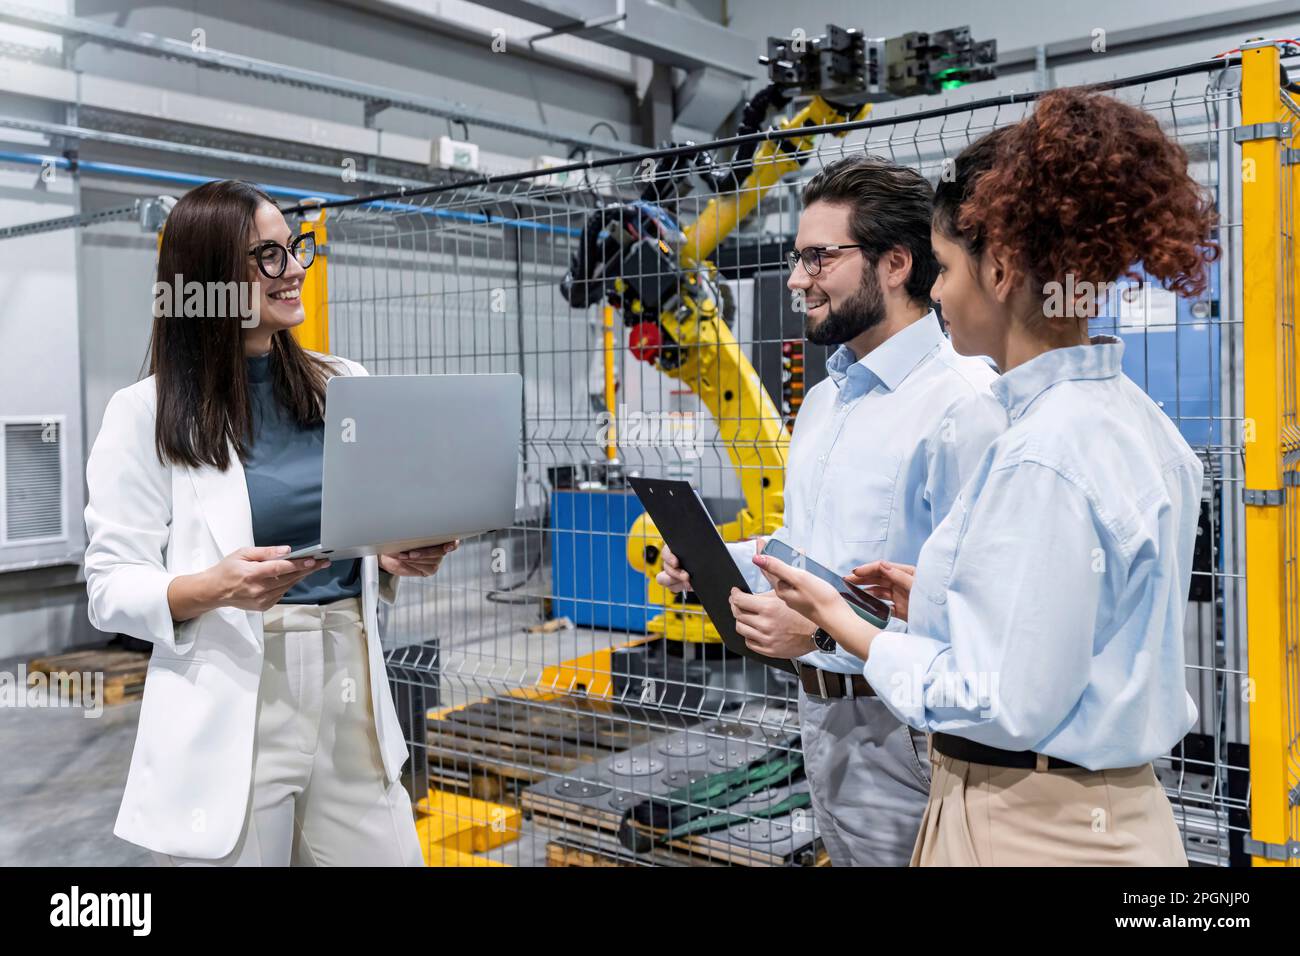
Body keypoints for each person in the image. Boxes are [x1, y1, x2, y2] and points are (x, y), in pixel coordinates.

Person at [756, 89, 1217, 865]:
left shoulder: (1042, 451)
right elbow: (1066, 624)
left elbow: (993, 697)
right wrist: (937, 598)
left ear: (998, 270)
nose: (936, 293)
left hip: (1031, 824)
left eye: (943, 269)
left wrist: (846, 624)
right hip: (1095, 810)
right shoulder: (1134, 422)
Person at [84, 180, 454, 866]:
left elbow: (362, 527)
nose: (295, 270)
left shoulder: (342, 383)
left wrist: (391, 554)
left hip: (351, 692)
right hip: (237, 702)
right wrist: (214, 588)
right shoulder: (145, 414)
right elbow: (109, 585)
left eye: (295, 248)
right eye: (269, 256)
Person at [659, 155, 1006, 866]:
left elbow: (982, 617)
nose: (796, 280)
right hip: (822, 719)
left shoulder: (965, 405)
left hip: (913, 734)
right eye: (798, 259)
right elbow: (805, 547)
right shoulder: (825, 401)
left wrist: (821, 633)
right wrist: (721, 561)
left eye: (818, 258)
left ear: (895, 264)